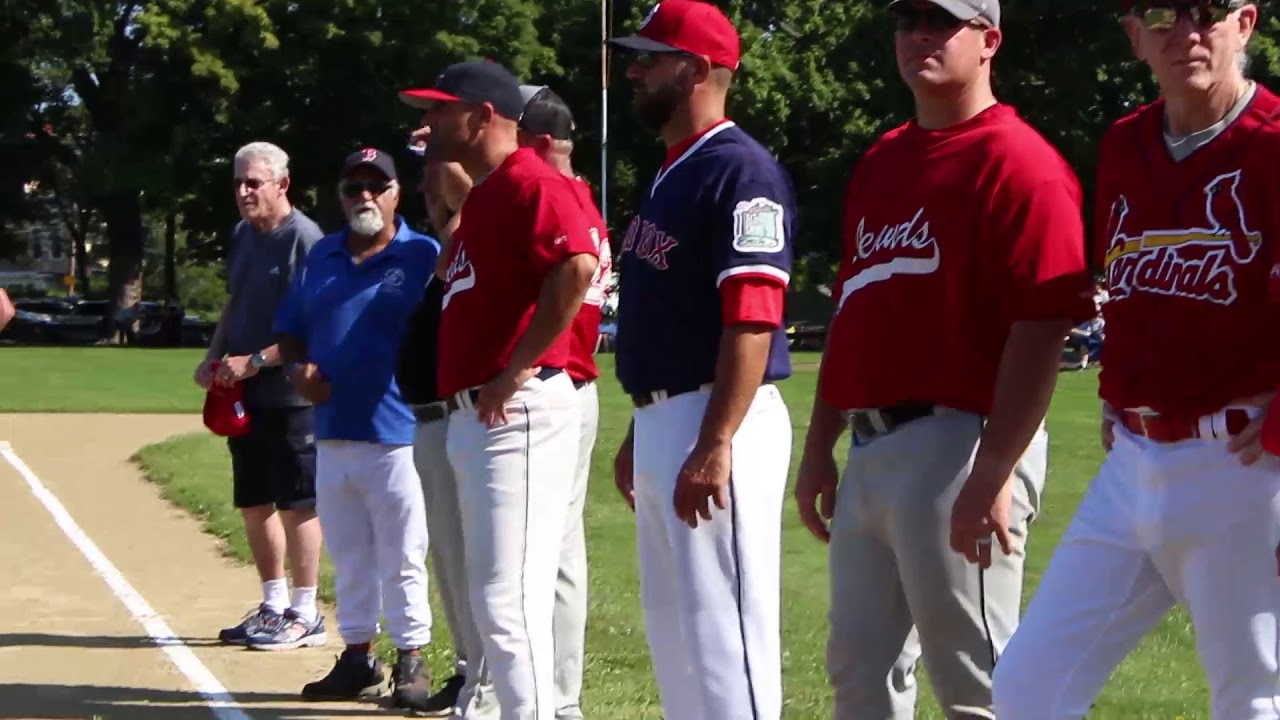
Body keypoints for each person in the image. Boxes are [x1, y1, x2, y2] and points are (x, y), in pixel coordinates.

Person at [792, 0, 1098, 717]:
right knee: (859, 675)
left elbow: (1041, 329)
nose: (919, 35)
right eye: (907, 21)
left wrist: (993, 470)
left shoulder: (1022, 163)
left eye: (940, 20)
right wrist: (818, 447)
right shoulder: (882, 161)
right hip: (869, 447)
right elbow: (855, 313)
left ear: (989, 41)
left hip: (962, 442)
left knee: (980, 683)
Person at [993, 3, 1280, 718]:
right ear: (1133, 36)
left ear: (1245, 23)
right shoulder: (1124, 144)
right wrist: (1121, 387)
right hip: (1131, 466)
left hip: (1242, 465)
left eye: (1208, 11)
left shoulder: (1274, 142)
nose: (1187, 32)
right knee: (1029, 685)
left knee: (1251, 699)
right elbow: (1125, 283)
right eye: (1161, 14)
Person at [605, 3, 797, 718]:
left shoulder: (740, 170)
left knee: (727, 642)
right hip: (670, 414)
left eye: (651, 56)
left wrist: (713, 442)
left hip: (722, 418)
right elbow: (674, 321)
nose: (635, 69)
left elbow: (751, 317)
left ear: (700, 69)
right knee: (679, 640)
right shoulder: (671, 172)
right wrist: (640, 429)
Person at [401, 59, 599, 719]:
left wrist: (515, 368)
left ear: (484, 116)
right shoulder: (487, 196)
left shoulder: (532, 182)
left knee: (508, 603)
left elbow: (576, 265)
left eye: (440, 109)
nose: (427, 123)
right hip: (477, 415)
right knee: (497, 604)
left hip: (519, 407)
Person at [274, 147, 438, 710]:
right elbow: (291, 330)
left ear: (397, 193)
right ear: (340, 195)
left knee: (403, 553)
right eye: (353, 187)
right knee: (349, 552)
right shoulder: (321, 256)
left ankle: (412, 657)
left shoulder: (424, 254)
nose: (364, 196)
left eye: (377, 185)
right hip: (334, 428)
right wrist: (298, 370)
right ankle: (357, 656)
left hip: (400, 430)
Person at [193, 141, 326, 651]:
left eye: (255, 183)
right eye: (239, 183)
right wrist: (215, 356)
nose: (245, 192)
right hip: (244, 392)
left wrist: (256, 361)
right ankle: (273, 604)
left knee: (297, 502)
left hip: (290, 392)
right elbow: (235, 303)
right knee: (254, 498)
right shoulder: (244, 236)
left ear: (282, 184)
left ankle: (306, 611)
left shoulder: (305, 239)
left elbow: (314, 326)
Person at [516, 82, 613, 720]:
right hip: (576, 387)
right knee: (561, 552)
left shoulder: (555, 200)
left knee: (536, 553)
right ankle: (562, 698)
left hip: (553, 380)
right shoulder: (584, 201)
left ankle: (545, 698)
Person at [394, 140, 495, 718]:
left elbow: (472, 196)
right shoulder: (448, 248)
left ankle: (480, 678)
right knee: (450, 564)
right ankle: (467, 670)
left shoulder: (475, 231)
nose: (430, 191)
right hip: (432, 420)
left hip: (458, 417)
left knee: (467, 560)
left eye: (438, 180)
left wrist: (448, 156)